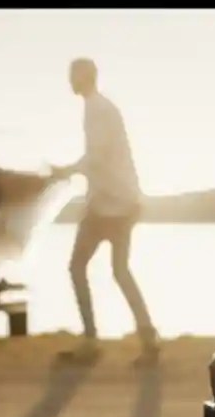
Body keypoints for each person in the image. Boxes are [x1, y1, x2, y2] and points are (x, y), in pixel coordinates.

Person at [50, 58, 158, 365]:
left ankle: (92, 341)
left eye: (74, 75)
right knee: (119, 271)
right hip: (119, 202)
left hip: (110, 206)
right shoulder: (99, 107)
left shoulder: (97, 109)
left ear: (86, 77)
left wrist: (65, 171)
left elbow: (96, 158)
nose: (70, 80)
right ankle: (148, 338)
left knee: (79, 267)